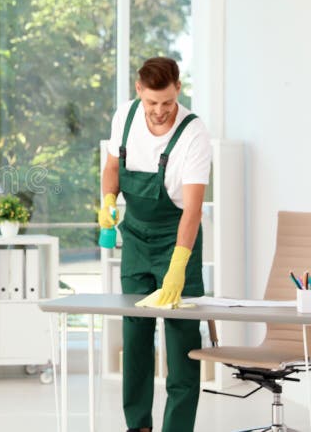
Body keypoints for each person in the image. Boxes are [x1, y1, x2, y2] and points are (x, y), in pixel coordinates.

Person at [99, 57, 212, 432]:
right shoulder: (125, 117)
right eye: (152, 103)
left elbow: (193, 210)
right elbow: (113, 168)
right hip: (134, 237)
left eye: (166, 102)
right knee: (135, 337)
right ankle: (138, 426)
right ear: (139, 92)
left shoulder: (194, 134)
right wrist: (108, 203)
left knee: (181, 344)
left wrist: (179, 265)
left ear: (178, 89)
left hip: (177, 238)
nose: (160, 112)